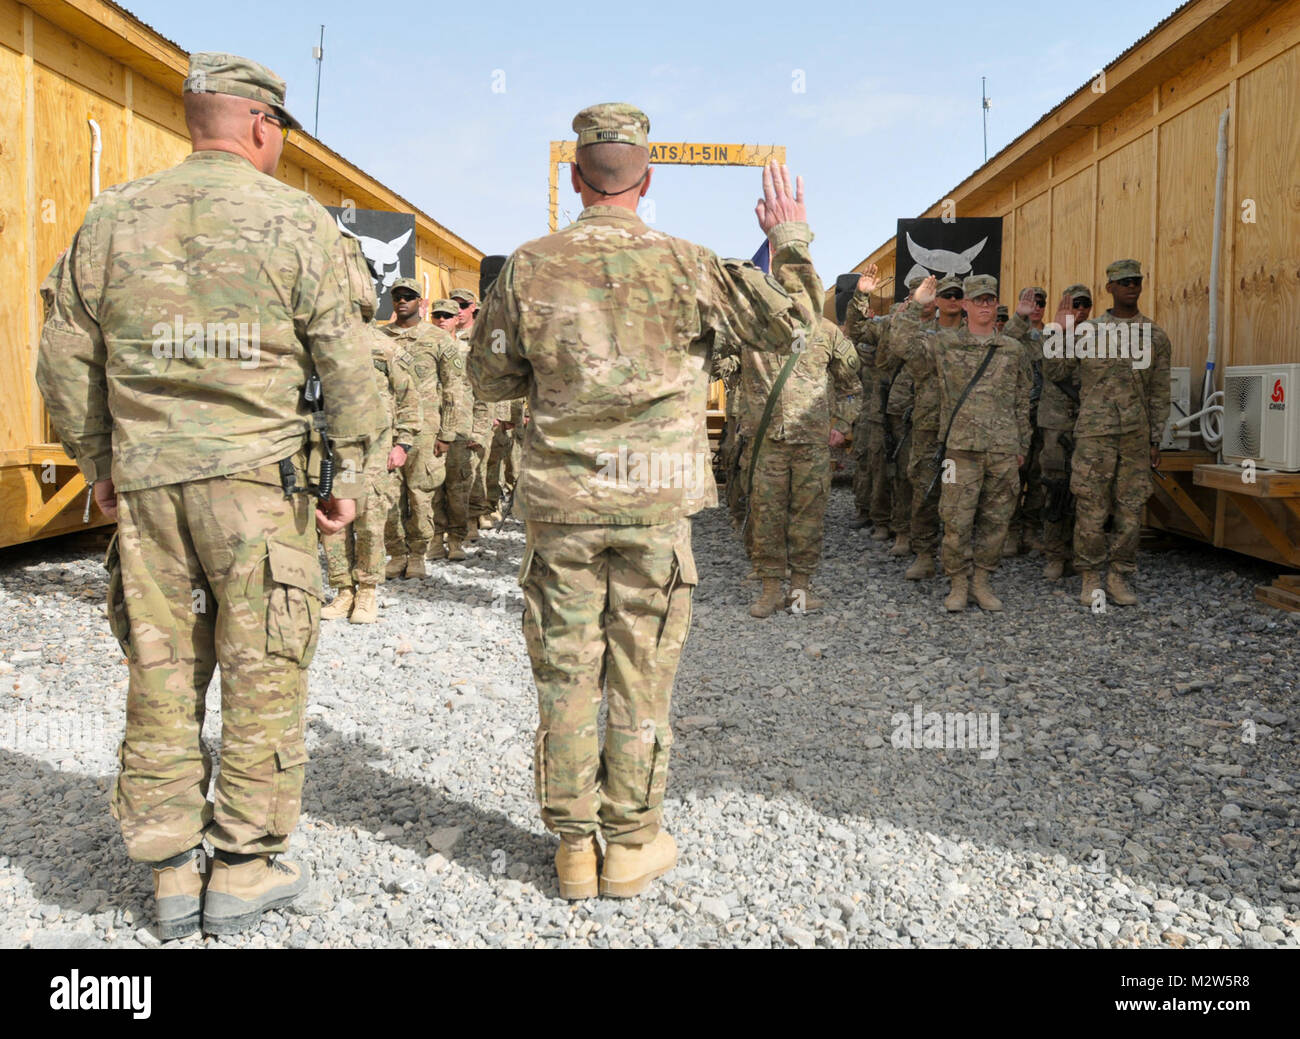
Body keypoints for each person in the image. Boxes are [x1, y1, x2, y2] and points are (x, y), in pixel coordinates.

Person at [35, 52, 381, 937]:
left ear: (196, 120)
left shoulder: (112, 218)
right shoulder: (300, 223)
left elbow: (64, 355)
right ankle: (243, 864)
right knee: (264, 668)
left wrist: (100, 460)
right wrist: (351, 478)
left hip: (150, 487)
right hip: (257, 488)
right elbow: (347, 363)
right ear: (263, 127)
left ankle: (166, 870)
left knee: (162, 668)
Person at [468, 103, 821, 899]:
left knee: (565, 672)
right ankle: (630, 842)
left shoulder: (528, 266)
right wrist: (789, 239)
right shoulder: (691, 263)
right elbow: (794, 329)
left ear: (574, 176)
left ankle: (572, 849)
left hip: (562, 507)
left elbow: (488, 379)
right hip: (652, 507)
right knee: (641, 675)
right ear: (648, 178)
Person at [892, 274, 1031, 612]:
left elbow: (1022, 400)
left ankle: (981, 581)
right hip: (959, 451)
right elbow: (901, 344)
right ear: (966, 305)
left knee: (996, 520)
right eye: (978, 300)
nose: (985, 305)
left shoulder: (1011, 349)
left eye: (990, 299)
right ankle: (957, 583)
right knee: (955, 519)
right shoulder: (945, 343)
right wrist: (917, 306)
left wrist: (1021, 446)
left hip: (1001, 451)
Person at [1044, 260, 1171, 606]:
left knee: (1131, 509)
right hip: (1094, 434)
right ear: (1110, 288)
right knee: (1091, 507)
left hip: (1135, 435)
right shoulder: (1089, 331)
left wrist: (1156, 439)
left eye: (1137, 281)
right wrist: (1061, 328)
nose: (1132, 286)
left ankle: (1118, 576)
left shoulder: (1155, 335)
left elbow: (1160, 391)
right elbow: (1054, 368)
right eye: (1124, 281)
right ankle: (1089, 578)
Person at [321, 245, 422, 622]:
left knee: (370, 518)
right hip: (334, 447)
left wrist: (404, 443)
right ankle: (341, 589)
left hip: (376, 449)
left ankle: (366, 591)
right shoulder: (324, 346)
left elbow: (410, 398)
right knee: (334, 514)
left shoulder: (384, 347)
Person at [742, 315, 859, 617]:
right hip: (769, 441)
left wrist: (844, 423)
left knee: (808, 518)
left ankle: (799, 592)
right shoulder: (756, 325)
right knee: (767, 516)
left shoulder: (828, 331)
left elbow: (851, 385)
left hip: (811, 443)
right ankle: (769, 591)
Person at [381, 281, 464, 577]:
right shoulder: (380, 337)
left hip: (426, 430)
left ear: (420, 302)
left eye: (408, 297)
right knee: (388, 495)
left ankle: (417, 554)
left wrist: (447, 433)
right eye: (397, 297)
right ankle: (395, 552)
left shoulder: (438, 339)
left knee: (420, 494)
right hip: (386, 429)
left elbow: (453, 388)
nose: (402, 301)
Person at [1009, 283, 1090, 580]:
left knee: (1084, 492)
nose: (1079, 310)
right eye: (1073, 304)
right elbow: (1055, 371)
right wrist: (1063, 331)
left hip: (1089, 424)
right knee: (1053, 486)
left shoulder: (1098, 335)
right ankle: (1055, 553)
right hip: (1054, 423)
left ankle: (1080, 552)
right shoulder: (1051, 335)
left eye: (1084, 304)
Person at [892, 274, 965, 580]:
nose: (951, 299)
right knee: (925, 488)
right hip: (929, 425)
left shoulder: (973, 337)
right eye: (945, 294)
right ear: (936, 300)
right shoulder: (924, 337)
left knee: (962, 492)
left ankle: (958, 555)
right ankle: (924, 553)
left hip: (965, 428)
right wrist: (914, 306)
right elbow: (898, 343)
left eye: (957, 294)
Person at [843, 265, 893, 540]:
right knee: (869, 463)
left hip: (908, 413)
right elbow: (858, 329)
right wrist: (861, 297)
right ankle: (868, 512)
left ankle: (892, 520)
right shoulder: (881, 330)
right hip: (872, 410)